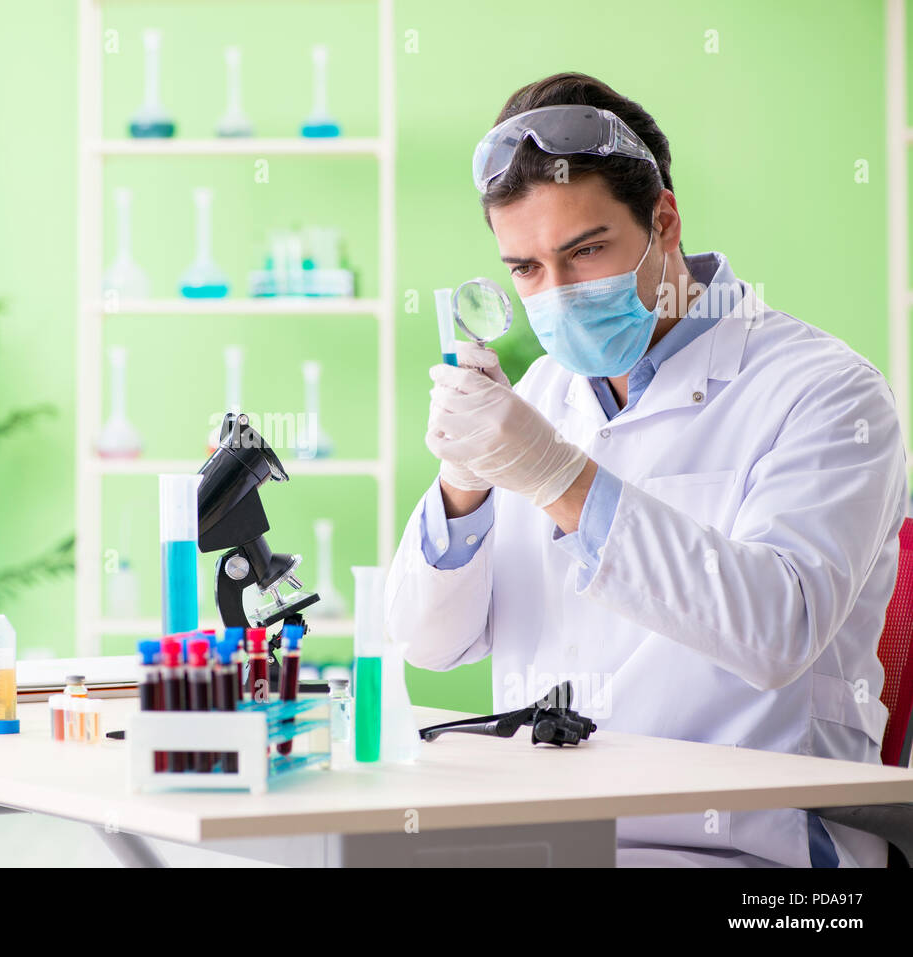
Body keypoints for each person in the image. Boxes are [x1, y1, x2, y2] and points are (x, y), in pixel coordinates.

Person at [386, 72, 907, 867]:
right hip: (549, 835)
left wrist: (558, 475)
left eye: (586, 251)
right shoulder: (537, 397)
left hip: (752, 851)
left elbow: (777, 631)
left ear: (663, 220)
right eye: (526, 269)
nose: (558, 295)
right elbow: (429, 644)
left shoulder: (827, 392)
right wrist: (465, 483)